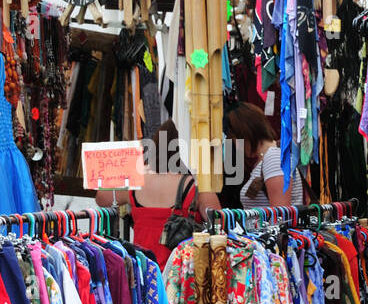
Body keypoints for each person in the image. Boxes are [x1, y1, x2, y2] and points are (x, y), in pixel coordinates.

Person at [95, 119, 220, 266]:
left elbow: (101, 198)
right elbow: (219, 225)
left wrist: (123, 165)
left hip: (145, 272)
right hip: (181, 273)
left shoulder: (137, 181)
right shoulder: (197, 187)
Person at [223, 101, 305, 207]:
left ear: (243, 134)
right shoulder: (268, 157)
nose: (236, 146)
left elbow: (281, 216)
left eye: (233, 139)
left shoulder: (274, 158)